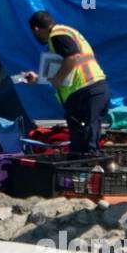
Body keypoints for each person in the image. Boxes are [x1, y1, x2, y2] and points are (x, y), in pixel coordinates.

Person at [22, 10, 110, 154]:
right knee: (83, 143)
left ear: (36, 29)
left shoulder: (57, 35)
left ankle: (90, 173)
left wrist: (58, 78)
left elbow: (73, 57)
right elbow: (61, 68)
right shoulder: (64, 34)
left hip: (86, 91)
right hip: (93, 90)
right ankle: (85, 171)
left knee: (87, 146)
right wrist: (37, 78)